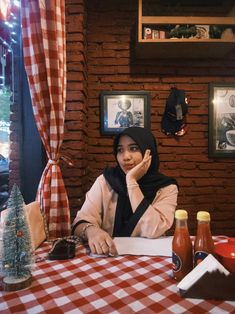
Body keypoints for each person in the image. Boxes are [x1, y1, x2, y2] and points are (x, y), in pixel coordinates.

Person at [72, 127, 178, 256]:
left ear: (148, 153)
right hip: (107, 258)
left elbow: (153, 230)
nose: (125, 157)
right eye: (120, 150)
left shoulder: (166, 187)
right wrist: (91, 231)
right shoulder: (106, 181)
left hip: (149, 260)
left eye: (133, 148)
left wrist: (131, 182)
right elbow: (80, 221)